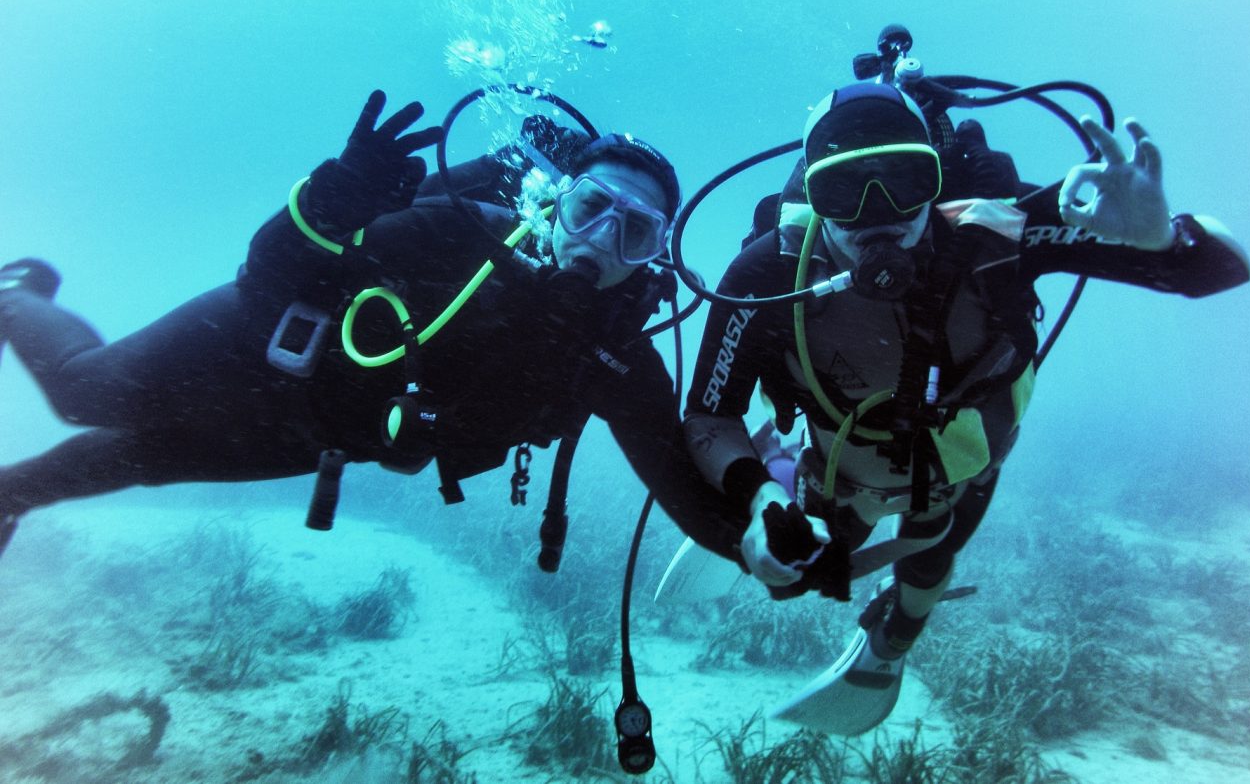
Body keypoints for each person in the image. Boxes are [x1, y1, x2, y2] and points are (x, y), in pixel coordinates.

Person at [680, 82, 1250, 734]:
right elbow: (707, 414)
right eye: (845, 191)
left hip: (964, 467)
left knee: (926, 564)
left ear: (938, 180)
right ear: (812, 197)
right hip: (841, 463)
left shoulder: (998, 235)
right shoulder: (768, 275)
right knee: (792, 570)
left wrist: (1162, 241)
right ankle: (779, 470)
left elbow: (1216, 271)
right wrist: (757, 500)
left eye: (905, 179)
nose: (879, 214)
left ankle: (886, 647)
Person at [0, 90, 742, 562]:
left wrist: (762, 546)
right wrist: (328, 205)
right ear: (554, 206)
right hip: (263, 338)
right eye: (590, 210)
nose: (600, 242)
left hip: (325, 431)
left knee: (136, 462)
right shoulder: (454, 234)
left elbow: (675, 480)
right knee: (83, 395)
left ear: (655, 255)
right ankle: (17, 292)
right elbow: (266, 284)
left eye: (635, 233)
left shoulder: (614, 355)